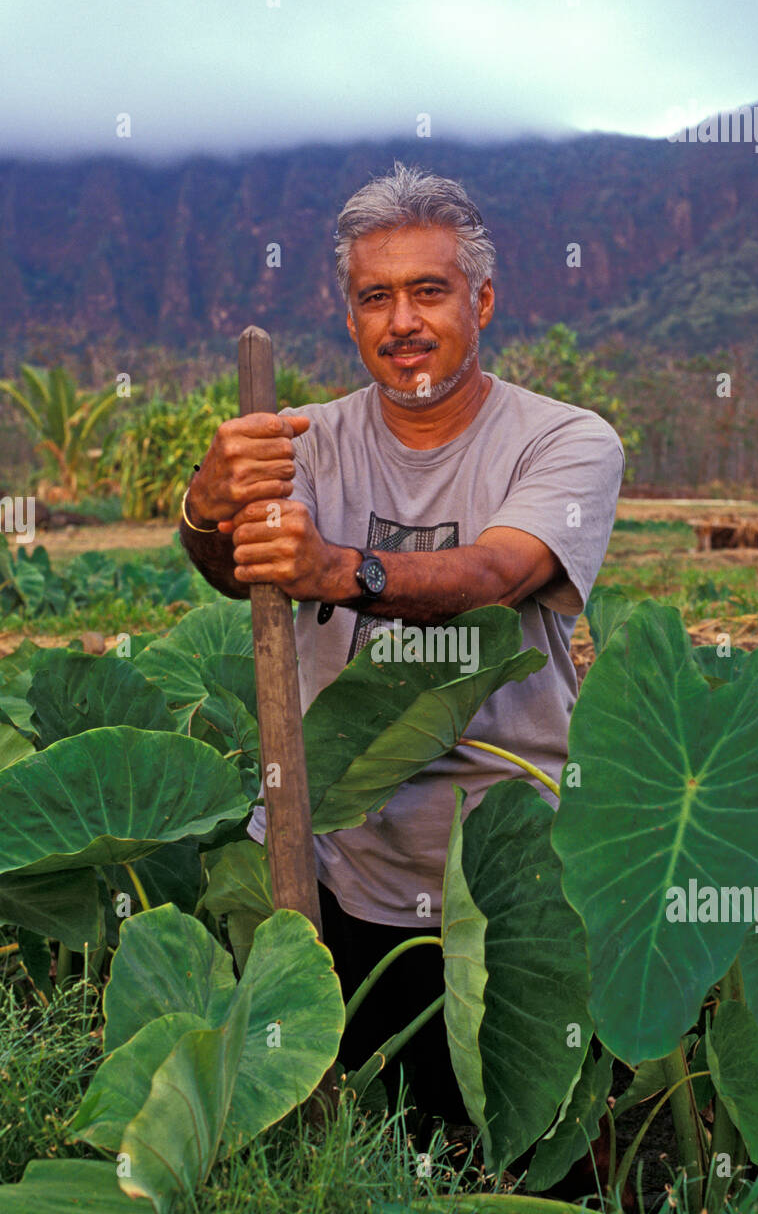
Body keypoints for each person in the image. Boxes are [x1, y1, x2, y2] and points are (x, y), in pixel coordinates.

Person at [180, 161, 624, 1131]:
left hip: (507, 864)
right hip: (332, 851)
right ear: (350, 318)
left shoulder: (566, 440)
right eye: (374, 296)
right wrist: (205, 509)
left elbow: (498, 575)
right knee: (332, 1132)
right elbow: (232, 568)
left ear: (483, 300)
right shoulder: (308, 440)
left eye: (429, 290)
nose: (403, 321)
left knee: (493, 1132)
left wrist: (341, 571)